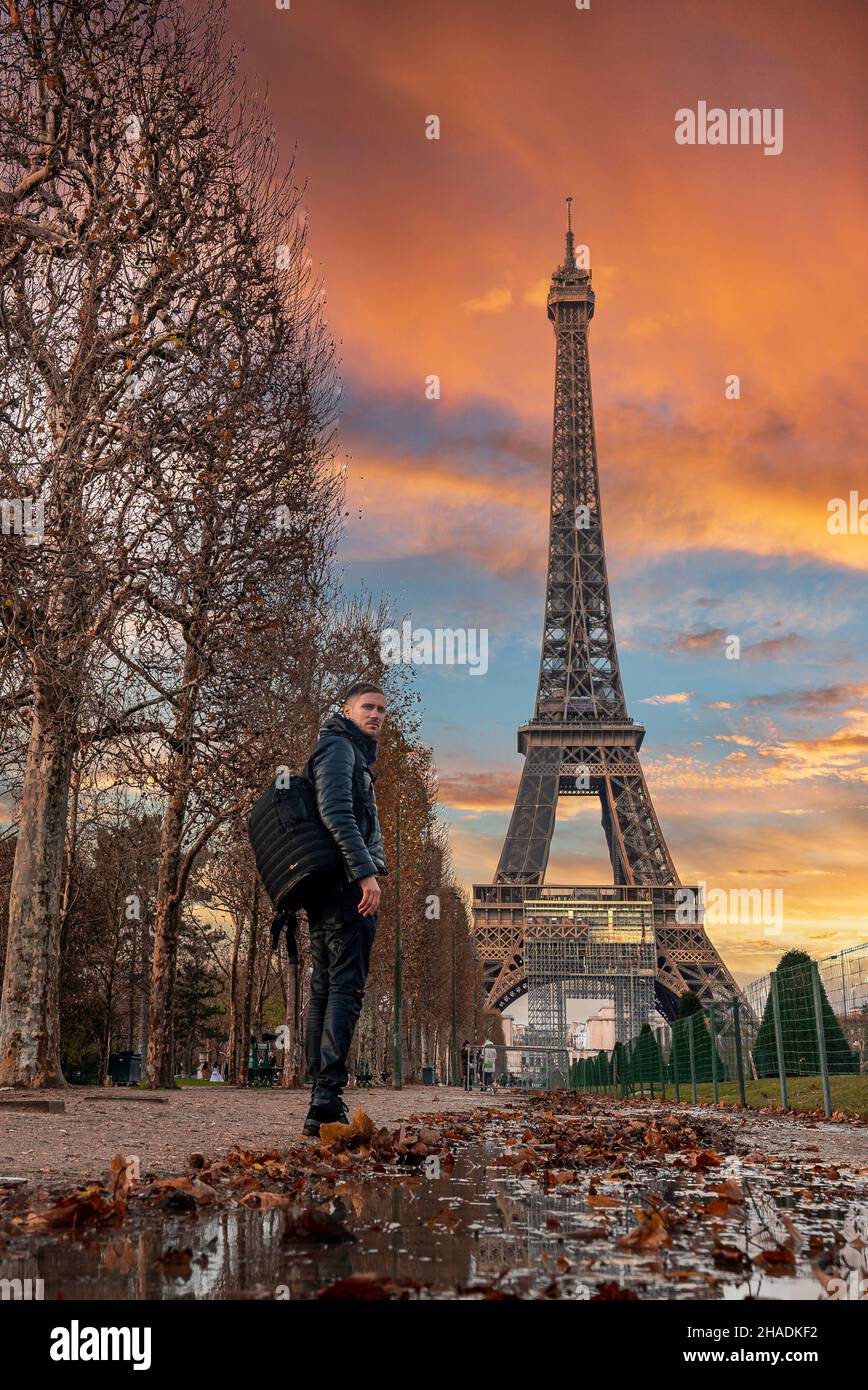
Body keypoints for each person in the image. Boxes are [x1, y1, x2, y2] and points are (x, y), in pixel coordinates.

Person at [300, 682, 389, 1137]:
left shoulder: (342, 749)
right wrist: (364, 873)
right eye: (367, 707)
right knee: (344, 988)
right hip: (345, 886)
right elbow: (336, 812)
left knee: (326, 986)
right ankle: (326, 1095)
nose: (375, 715)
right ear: (347, 709)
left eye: (380, 709)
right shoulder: (338, 748)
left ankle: (321, 1097)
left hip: (329, 885)